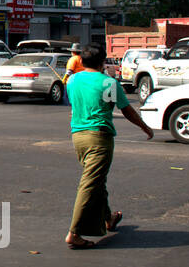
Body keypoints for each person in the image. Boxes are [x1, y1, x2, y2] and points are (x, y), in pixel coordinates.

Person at [64, 44, 154, 248]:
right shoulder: (108, 83)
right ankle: (74, 232)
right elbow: (126, 110)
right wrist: (145, 127)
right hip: (99, 137)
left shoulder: (73, 80)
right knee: (89, 183)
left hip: (78, 136)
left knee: (96, 179)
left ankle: (108, 218)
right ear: (102, 62)